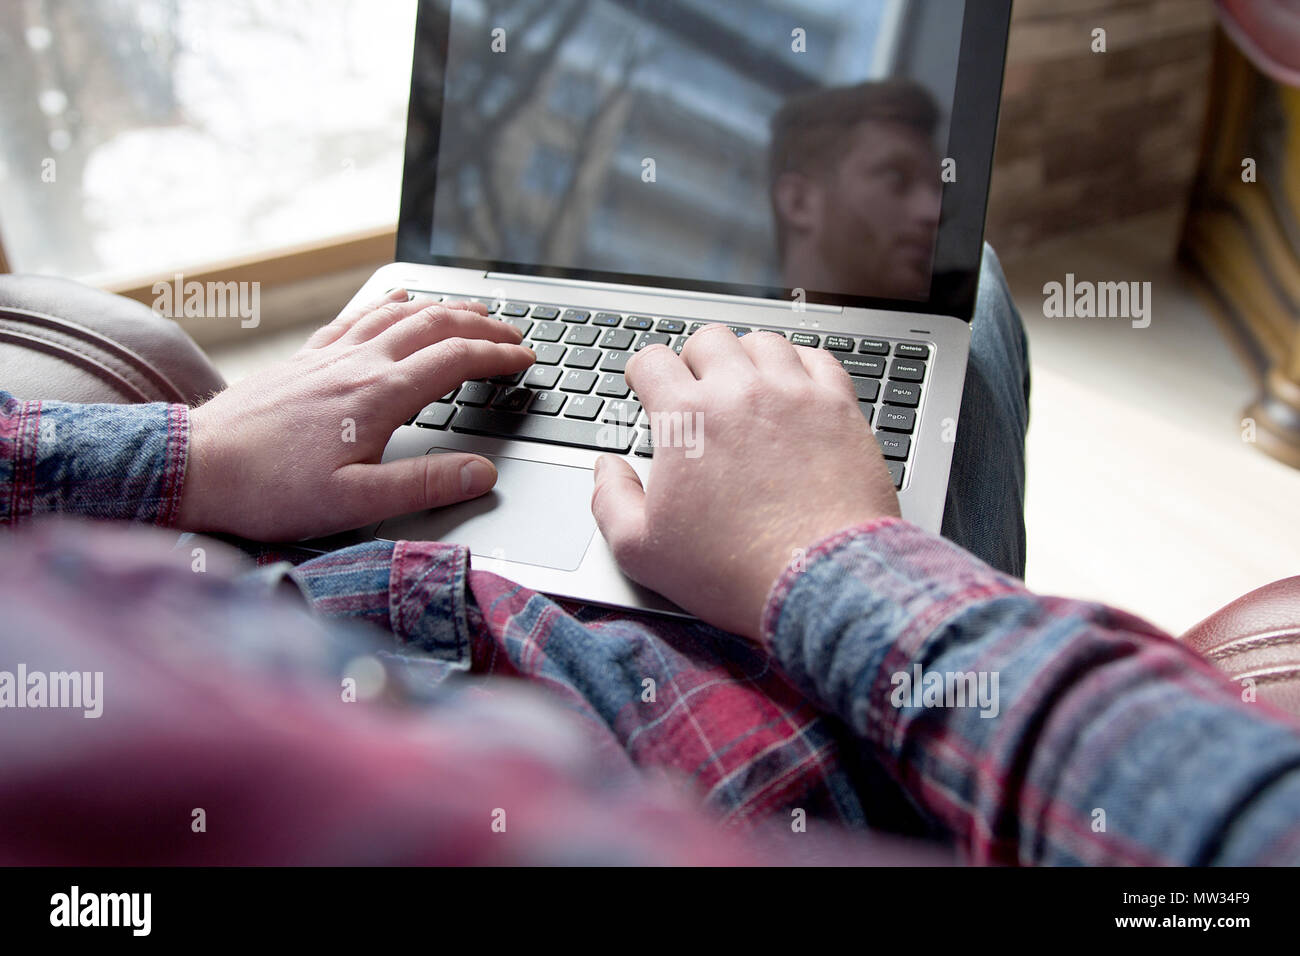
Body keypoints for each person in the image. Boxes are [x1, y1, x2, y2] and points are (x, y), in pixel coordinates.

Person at [2, 248, 1298, 865]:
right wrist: (824, 551)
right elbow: (1237, 837)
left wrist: (182, 456)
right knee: (973, 295)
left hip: (330, 592)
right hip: (745, 715)